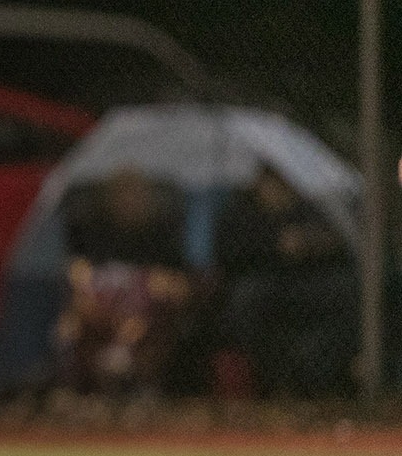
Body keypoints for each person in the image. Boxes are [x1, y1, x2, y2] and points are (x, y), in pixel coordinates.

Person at [210, 163, 357, 399]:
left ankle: (317, 382)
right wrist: (273, 245)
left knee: (345, 299)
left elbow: (340, 245)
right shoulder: (241, 214)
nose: (275, 190)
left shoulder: (313, 210)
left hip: (308, 287)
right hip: (261, 291)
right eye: (270, 183)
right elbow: (229, 254)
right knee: (245, 302)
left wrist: (309, 244)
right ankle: (261, 383)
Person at [52, 167, 192, 401]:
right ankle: (83, 385)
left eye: (136, 193)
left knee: (148, 322)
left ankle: (139, 382)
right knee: (71, 324)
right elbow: (78, 268)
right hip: (104, 305)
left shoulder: (161, 231)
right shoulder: (93, 227)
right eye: (123, 193)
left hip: (145, 308)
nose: (129, 199)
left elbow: (175, 277)